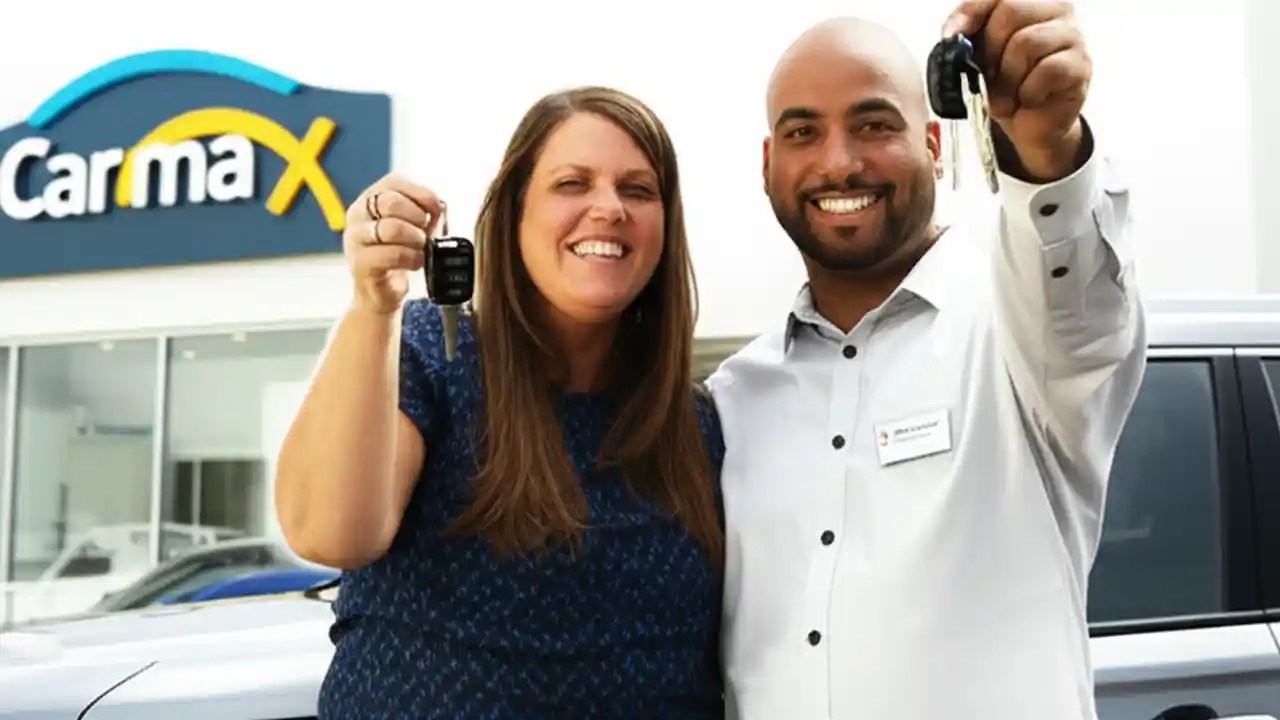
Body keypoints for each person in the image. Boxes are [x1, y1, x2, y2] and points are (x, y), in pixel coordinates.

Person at [706, 2, 1145, 719]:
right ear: (768, 163)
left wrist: (1049, 145)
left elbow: (1084, 315)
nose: (839, 160)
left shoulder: (1020, 339)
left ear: (936, 144)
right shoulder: (733, 400)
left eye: (874, 125)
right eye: (802, 131)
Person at [273, 85, 726, 718]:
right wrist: (374, 303)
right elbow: (329, 532)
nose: (608, 208)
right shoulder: (434, 351)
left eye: (638, 190)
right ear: (513, 215)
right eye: (572, 183)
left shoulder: (698, 422)